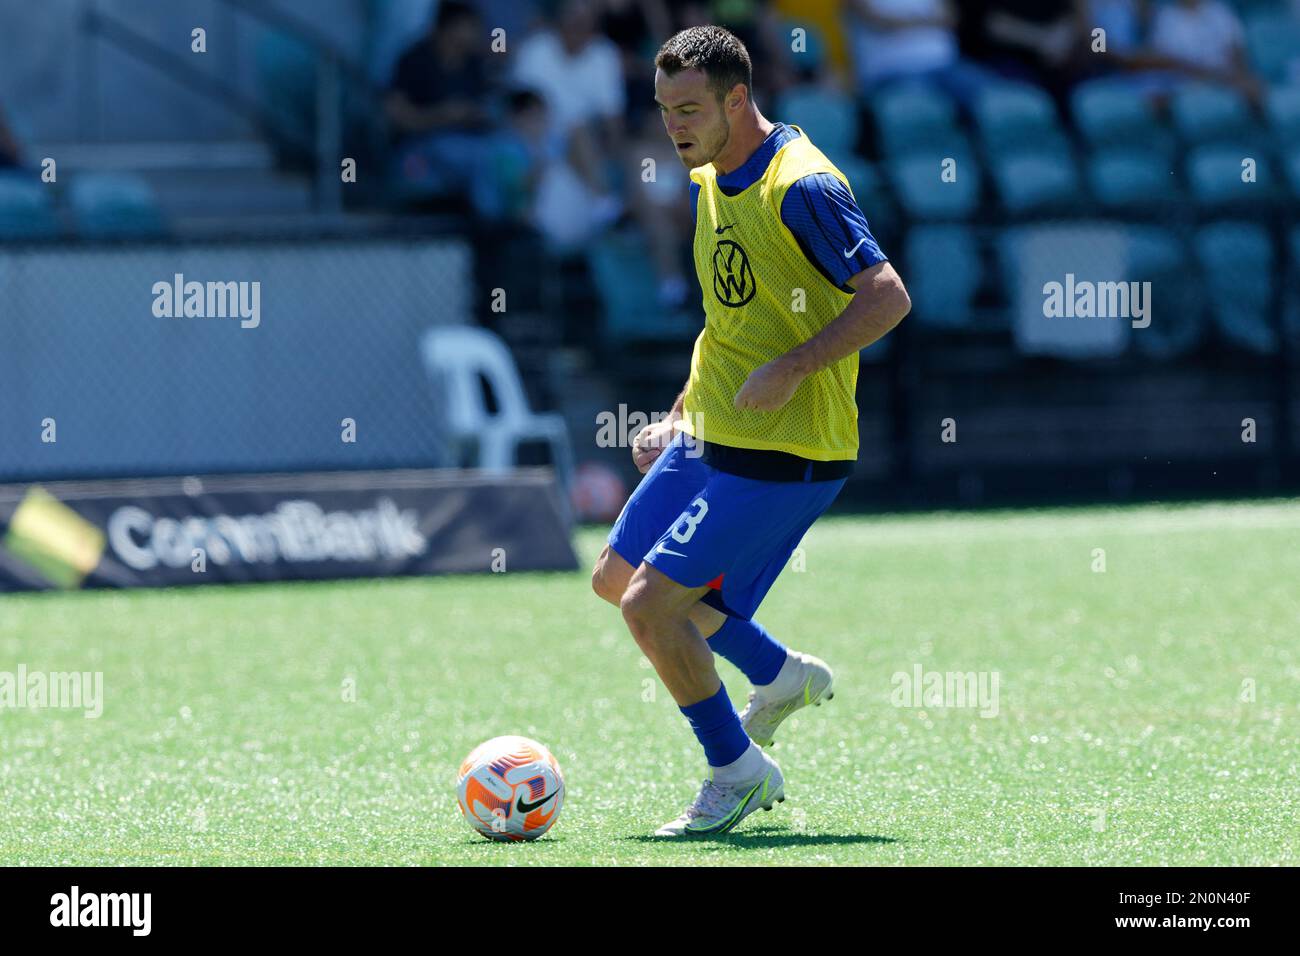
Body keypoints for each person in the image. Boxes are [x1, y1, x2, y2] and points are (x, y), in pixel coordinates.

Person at [590, 25, 912, 837]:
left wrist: (797, 365)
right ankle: (781, 675)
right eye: (665, 110)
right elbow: (728, 322)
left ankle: (737, 770)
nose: (675, 127)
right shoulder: (708, 174)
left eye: (690, 109)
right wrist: (678, 414)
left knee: (651, 608)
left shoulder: (802, 186)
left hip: (789, 446)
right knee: (613, 578)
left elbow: (887, 294)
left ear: (740, 98)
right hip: (713, 429)